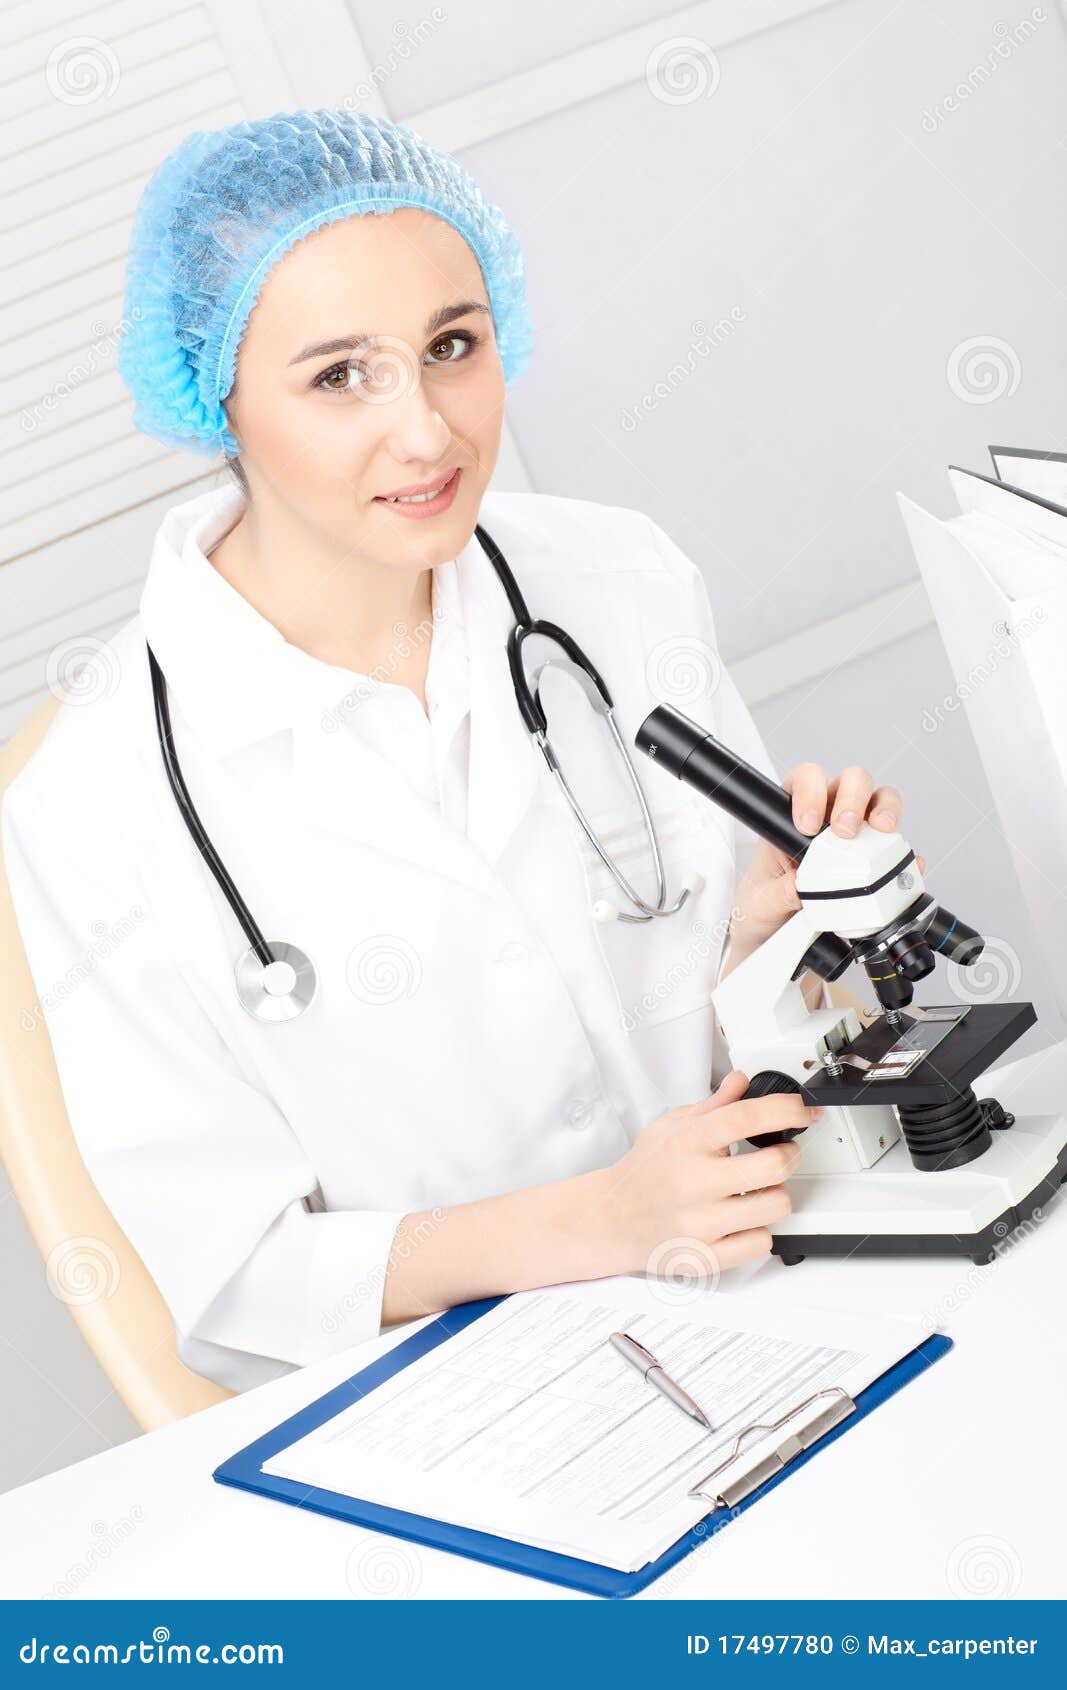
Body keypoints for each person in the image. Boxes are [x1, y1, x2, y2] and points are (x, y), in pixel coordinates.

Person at [2, 110, 912, 1393]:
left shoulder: (616, 582)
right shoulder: (93, 794)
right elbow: (233, 1281)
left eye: (450, 347)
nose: (427, 431)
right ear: (216, 397)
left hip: (767, 1308)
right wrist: (598, 1221)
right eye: (338, 377)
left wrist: (768, 947)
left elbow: (729, 1073)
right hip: (445, 1404)